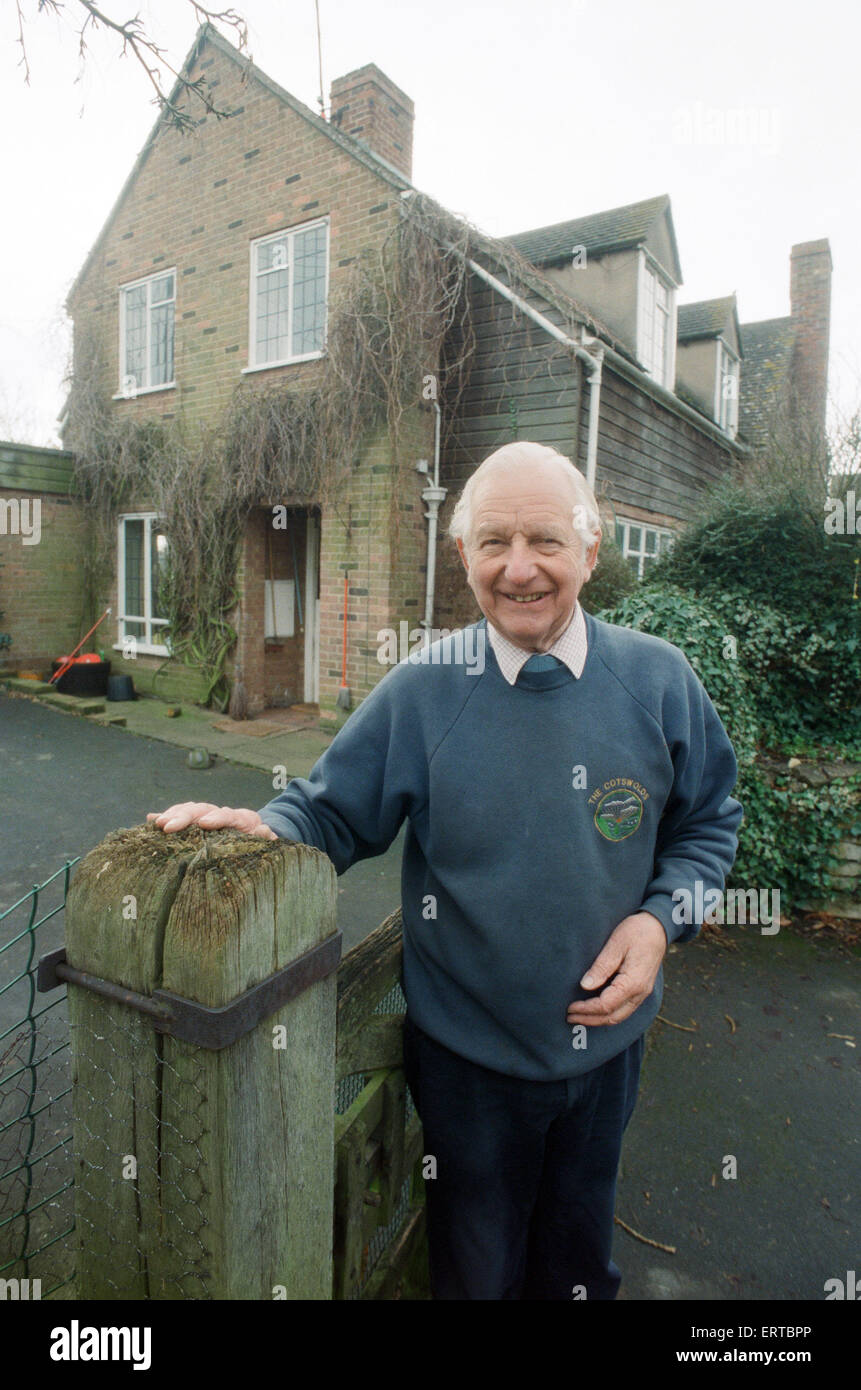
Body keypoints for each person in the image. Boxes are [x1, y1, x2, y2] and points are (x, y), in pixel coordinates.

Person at [148, 441, 743, 1300]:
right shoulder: (424, 690)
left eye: (544, 540)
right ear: (460, 555)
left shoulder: (658, 681)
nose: (519, 568)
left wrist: (658, 923)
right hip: (466, 1065)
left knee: (578, 1264)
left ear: (591, 549)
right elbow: (325, 812)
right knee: (475, 1271)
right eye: (492, 543)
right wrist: (263, 827)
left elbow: (708, 824)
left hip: (606, 1052)